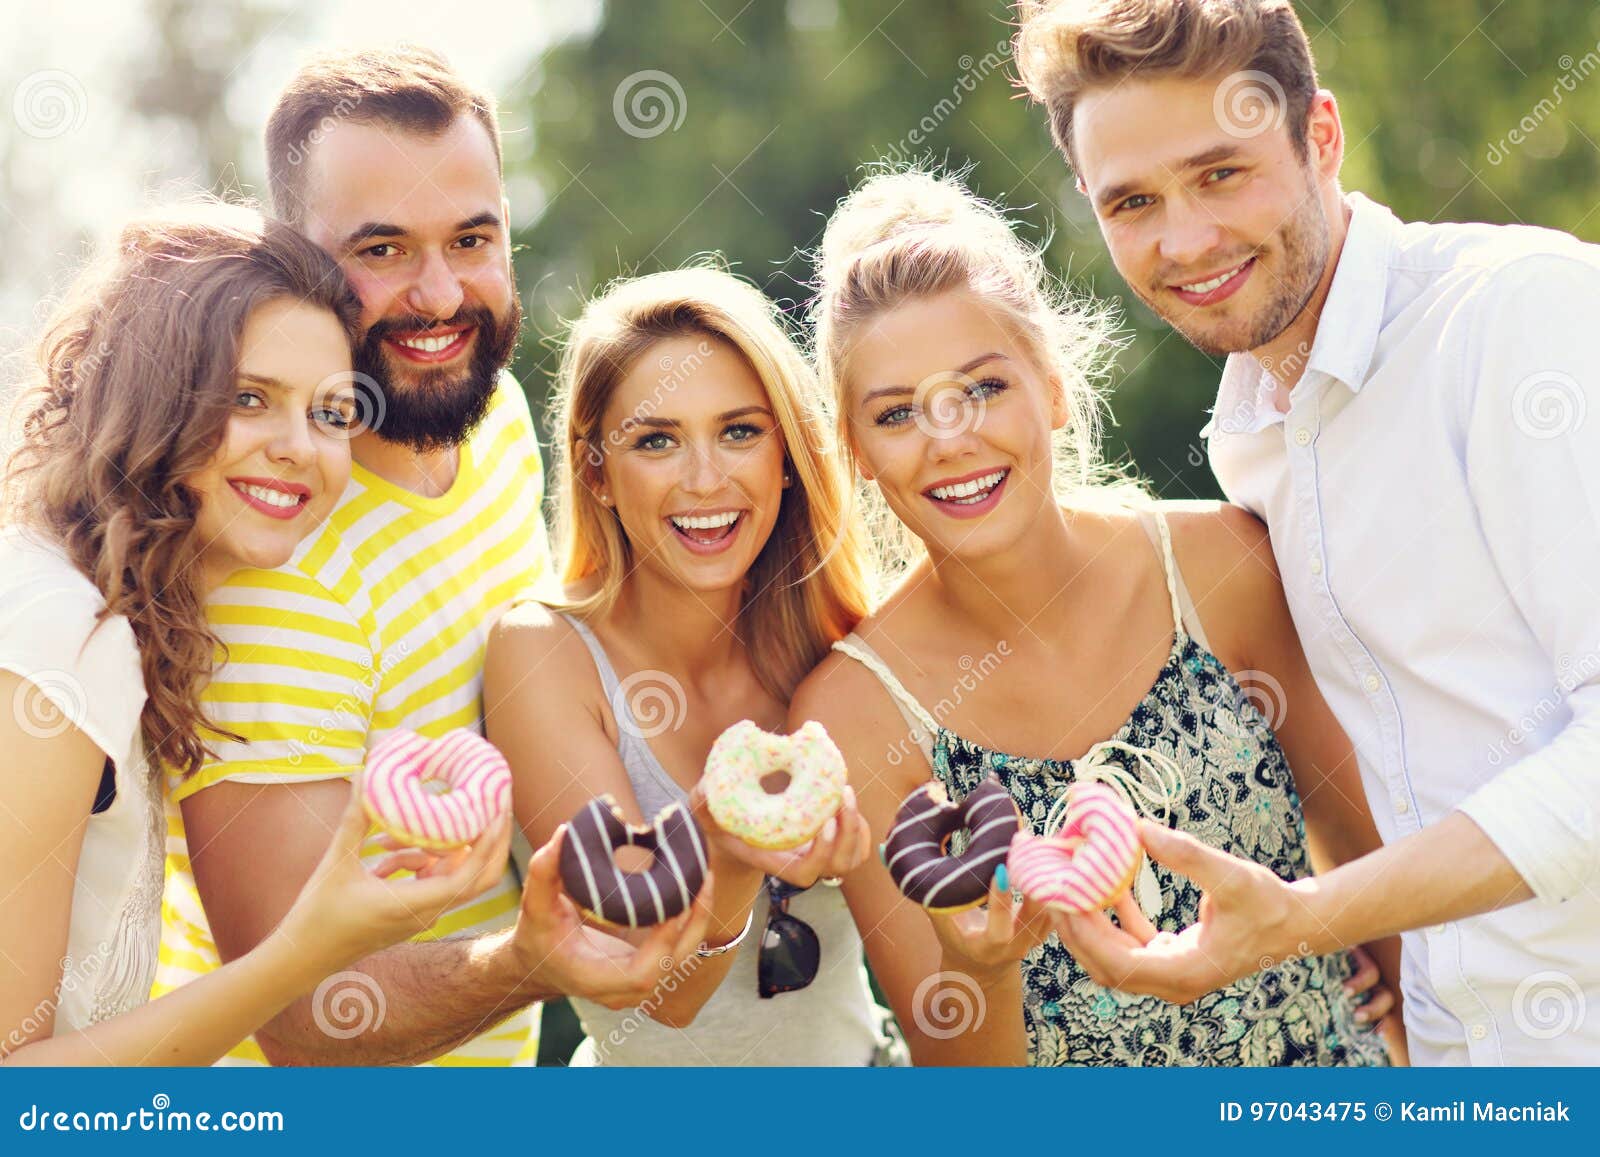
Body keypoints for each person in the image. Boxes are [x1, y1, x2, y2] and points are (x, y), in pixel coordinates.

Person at [1014, 0, 1600, 1064]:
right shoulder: (1251, 439)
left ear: (1319, 136)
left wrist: (1305, 917)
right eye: (1132, 201)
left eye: (1221, 173)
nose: (1184, 240)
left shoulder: (1521, 317)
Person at [153, 46, 708, 1067]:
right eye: (383, 249)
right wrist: (533, 960)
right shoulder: (271, 578)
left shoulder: (483, 416)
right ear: (296, 260)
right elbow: (308, 1021)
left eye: (471, 237)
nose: (442, 294)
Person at [793, 167, 1399, 1065]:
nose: (952, 436)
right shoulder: (850, 718)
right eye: (897, 413)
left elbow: (1370, 867)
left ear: (1053, 386)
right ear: (858, 455)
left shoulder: (1220, 565)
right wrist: (986, 968)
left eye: (986, 388)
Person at [1, 202, 508, 1064]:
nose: (297, 448)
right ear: (152, 397)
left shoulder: (115, 624)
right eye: (249, 399)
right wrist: (308, 947)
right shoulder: (60, 637)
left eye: (332, 412)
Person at [485, 265, 891, 1065]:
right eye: (656, 440)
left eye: (740, 430)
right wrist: (732, 849)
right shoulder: (543, 654)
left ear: (786, 454)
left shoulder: (849, 643)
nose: (706, 480)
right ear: (596, 469)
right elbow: (642, 988)